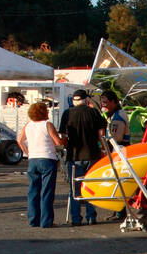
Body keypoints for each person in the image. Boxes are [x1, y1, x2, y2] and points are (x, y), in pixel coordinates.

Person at [58, 89, 105, 226]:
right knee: (90, 187)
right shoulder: (94, 112)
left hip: (74, 156)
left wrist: (66, 148)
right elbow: (101, 133)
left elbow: (63, 136)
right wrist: (103, 149)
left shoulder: (67, 113)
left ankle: (76, 218)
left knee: (75, 189)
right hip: (92, 154)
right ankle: (91, 217)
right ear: (86, 100)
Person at [18, 100, 65, 228]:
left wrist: (28, 153)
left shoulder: (28, 125)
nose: (48, 111)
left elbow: (20, 140)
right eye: (46, 110)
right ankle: (46, 221)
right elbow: (58, 142)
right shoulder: (47, 125)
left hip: (33, 159)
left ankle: (33, 220)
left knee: (33, 190)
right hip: (47, 158)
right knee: (47, 191)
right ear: (43, 112)